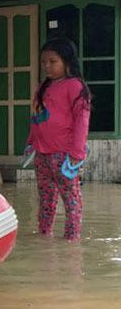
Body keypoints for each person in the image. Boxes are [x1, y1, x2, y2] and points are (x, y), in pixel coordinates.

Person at [26, 38, 91, 242]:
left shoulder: (75, 86)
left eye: (52, 61)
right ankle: (44, 236)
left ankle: (72, 240)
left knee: (71, 200)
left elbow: (82, 121)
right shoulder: (42, 88)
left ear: (67, 62)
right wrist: (30, 143)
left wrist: (77, 153)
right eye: (43, 62)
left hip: (64, 156)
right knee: (46, 199)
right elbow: (36, 118)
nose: (46, 66)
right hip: (41, 155)